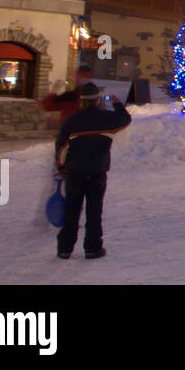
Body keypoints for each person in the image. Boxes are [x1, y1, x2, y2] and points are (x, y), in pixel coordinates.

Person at [55, 82, 131, 259]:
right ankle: (92, 247)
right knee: (94, 211)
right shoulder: (107, 120)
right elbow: (125, 119)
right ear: (97, 100)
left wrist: (61, 166)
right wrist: (118, 103)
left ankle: (65, 248)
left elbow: (61, 148)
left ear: (81, 102)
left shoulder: (70, 121)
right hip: (97, 171)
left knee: (71, 211)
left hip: (74, 173)